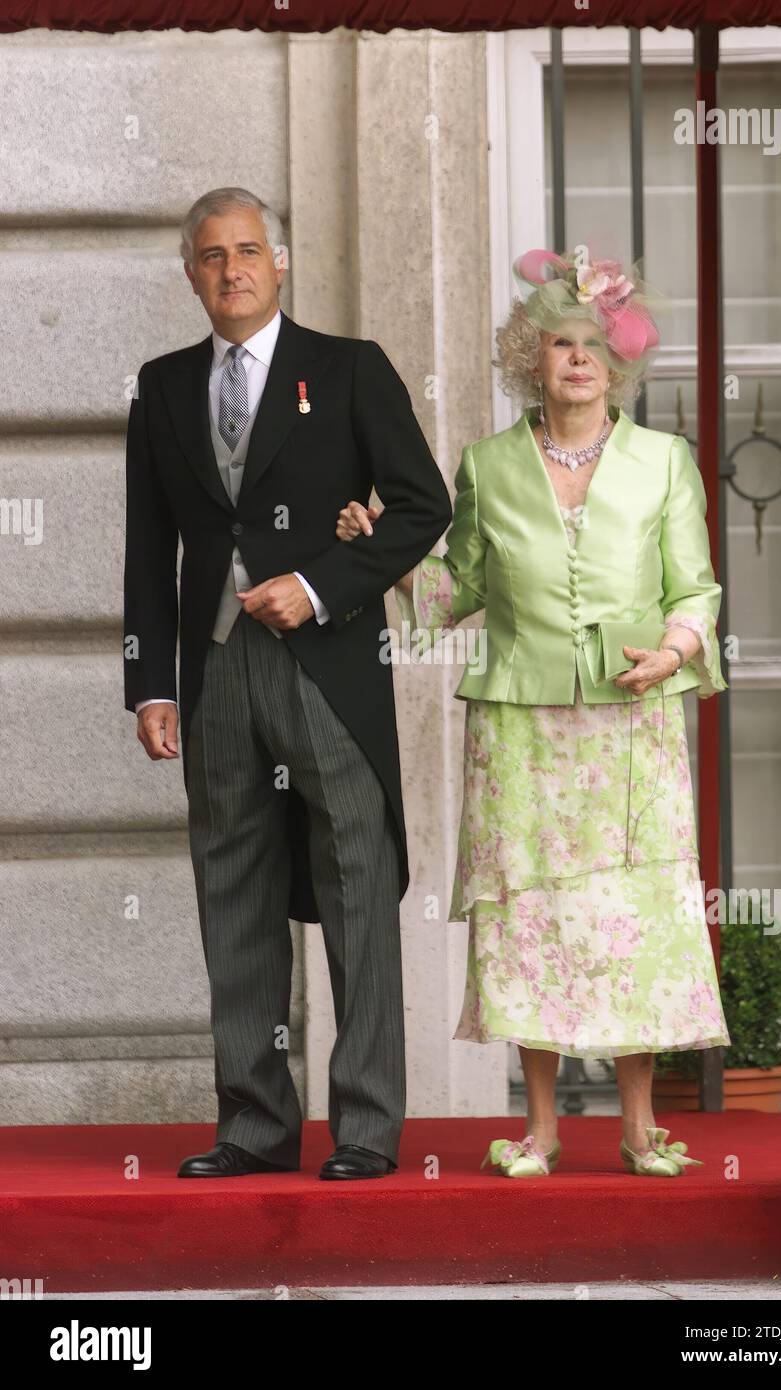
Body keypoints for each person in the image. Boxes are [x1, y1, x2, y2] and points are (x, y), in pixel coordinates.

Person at [335, 245, 730, 1178]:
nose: (579, 359)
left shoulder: (666, 463)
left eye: (595, 344)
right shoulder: (488, 466)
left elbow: (697, 592)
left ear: (620, 361)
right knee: (532, 922)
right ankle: (542, 1128)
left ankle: (638, 1127)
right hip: (521, 732)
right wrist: (377, 552)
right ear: (532, 358)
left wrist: (675, 651)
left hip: (632, 726)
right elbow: (454, 590)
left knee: (630, 915)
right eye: (560, 343)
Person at [123, 187, 452, 1181]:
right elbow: (150, 548)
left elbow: (419, 506)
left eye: (249, 251)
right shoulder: (163, 384)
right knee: (233, 887)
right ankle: (255, 1124)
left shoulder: (348, 371)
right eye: (213, 256)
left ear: (280, 264)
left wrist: (316, 586)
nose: (232, 271)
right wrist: (150, 684)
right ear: (192, 273)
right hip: (215, 670)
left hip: (327, 666)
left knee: (355, 885)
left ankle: (364, 1127)